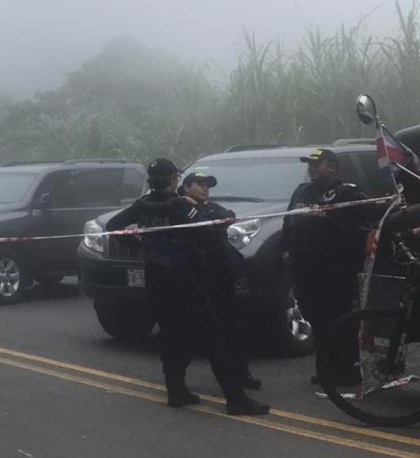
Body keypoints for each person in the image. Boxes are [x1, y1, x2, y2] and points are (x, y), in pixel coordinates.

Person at [108, 158, 269, 415]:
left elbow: (112, 227)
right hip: (186, 280)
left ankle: (176, 391)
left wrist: (142, 246)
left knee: (171, 335)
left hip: (157, 279)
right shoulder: (180, 205)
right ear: (174, 178)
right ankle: (235, 398)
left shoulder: (142, 205)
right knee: (214, 337)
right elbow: (206, 232)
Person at [282, 148, 370, 387]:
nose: (311, 168)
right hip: (304, 269)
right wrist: (285, 250)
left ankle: (349, 370)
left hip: (335, 271)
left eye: (316, 164)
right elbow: (288, 222)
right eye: (309, 164)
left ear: (332, 167)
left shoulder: (348, 194)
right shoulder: (302, 192)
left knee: (339, 320)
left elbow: (364, 227)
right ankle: (327, 368)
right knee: (316, 319)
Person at [180, 171, 262, 390]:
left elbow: (229, 216)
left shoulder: (211, 207)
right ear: (186, 187)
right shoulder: (179, 207)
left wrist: (209, 220)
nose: (205, 189)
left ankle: (241, 374)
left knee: (230, 327)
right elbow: (201, 229)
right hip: (195, 277)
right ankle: (178, 385)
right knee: (194, 331)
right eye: (200, 184)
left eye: (208, 185)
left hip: (219, 275)